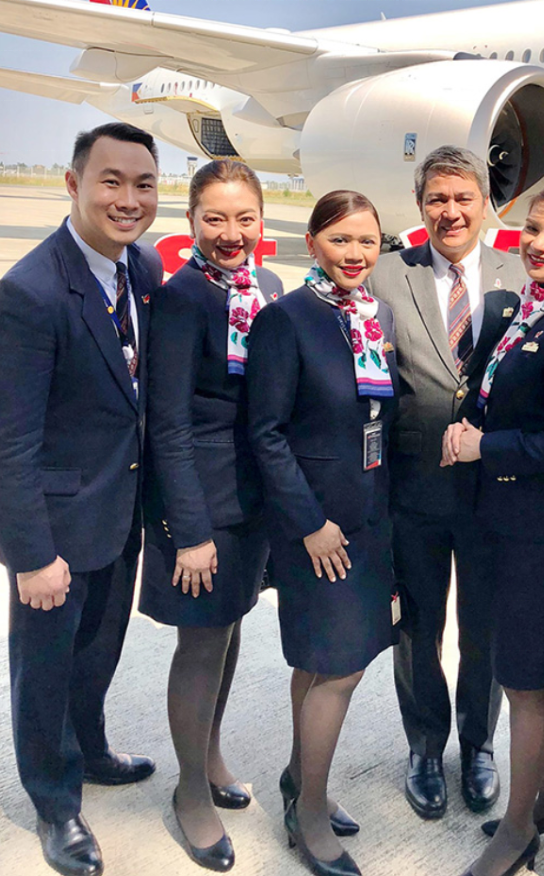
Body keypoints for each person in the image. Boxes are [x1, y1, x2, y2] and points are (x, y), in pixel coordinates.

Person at [0, 122, 163, 876]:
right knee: (44, 670)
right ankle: (54, 800)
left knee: (98, 650)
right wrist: (31, 557)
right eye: (111, 181)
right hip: (57, 527)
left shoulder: (143, 268)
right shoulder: (31, 292)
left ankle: (90, 747)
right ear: (73, 184)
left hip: (118, 514)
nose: (128, 200)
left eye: (143, 184)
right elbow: (10, 443)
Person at [442, 180, 544, 876]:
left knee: (523, 682)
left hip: (543, 536)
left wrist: (485, 446)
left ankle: (517, 832)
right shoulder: (528, 307)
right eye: (532, 230)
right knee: (537, 677)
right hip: (509, 523)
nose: (539, 244)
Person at [367, 145, 526, 819]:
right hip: (415, 492)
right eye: (437, 199)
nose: (451, 211)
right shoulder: (385, 274)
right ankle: (425, 747)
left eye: (464, 198)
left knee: (484, 628)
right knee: (418, 628)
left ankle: (479, 744)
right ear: (420, 205)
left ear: (486, 205)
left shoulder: (522, 275)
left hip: (496, 493)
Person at [248, 190, 398, 876]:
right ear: (311, 244)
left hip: (366, 520)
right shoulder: (286, 319)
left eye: (367, 241)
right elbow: (266, 433)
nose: (355, 254)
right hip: (317, 528)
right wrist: (310, 524)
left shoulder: (372, 314)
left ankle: (299, 780)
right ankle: (308, 814)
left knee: (318, 664)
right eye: (340, 240)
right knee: (339, 668)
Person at [139, 159, 282, 871]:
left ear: (262, 220)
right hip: (200, 503)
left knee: (229, 630)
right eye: (215, 219)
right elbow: (166, 424)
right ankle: (190, 791)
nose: (232, 233)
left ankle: (211, 755)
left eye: (244, 218)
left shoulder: (268, 286)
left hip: (250, 502)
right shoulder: (182, 299)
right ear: (191, 220)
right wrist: (189, 532)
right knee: (199, 644)